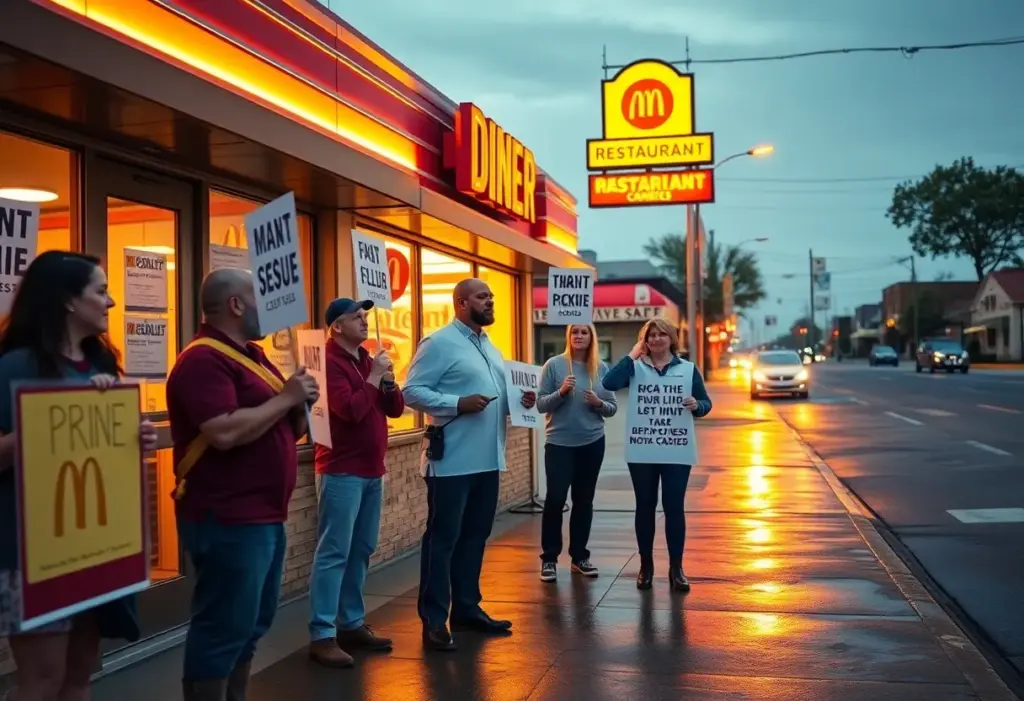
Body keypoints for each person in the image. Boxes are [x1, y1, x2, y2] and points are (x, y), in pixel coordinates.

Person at [0, 251, 158, 701]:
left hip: (95, 550)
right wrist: (42, 427)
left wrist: (133, 437)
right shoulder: (14, 368)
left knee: (79, 676)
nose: (110, 302)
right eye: (101, 290)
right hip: (34, 556)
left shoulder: (101, 367)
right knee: (42, 681)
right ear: (69, 301)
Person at [166, 268, 319, 700]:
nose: (269, 305)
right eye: (259, 296)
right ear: (235, 304)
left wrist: (299, 403)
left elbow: (281, 425)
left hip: (262, 516)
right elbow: (225, 432)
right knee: (223, 627)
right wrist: (288, 398)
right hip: (226, 516)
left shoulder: (252, 355)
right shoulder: (202, 359)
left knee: (251, 624)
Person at [403, 278, 535, 651]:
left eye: (492, 296)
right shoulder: (439, 342)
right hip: (451, 463)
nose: (491, 301)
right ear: (461, 302)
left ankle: (466, 609)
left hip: (488, 461)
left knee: (475, 538)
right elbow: (410, 391)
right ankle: (433, 621)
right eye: (483, 296)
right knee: (442, 541)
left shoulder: (491, 347)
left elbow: (497, 400)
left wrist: (520, 399)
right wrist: (457, 402)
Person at [307, 298, 404, 667]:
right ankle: (322, 634)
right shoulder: (328, 362)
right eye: (356, 317)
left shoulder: (366, 359)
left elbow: (394, 410)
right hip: (341, 470)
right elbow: (348, 411)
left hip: (371, 469)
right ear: (336, 326)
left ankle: (351, 623)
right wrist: (374, 378)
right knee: (334, 552)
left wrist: (389, 383)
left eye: (366, 317)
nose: (364, 322)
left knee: (362, 548)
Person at [602, 318, 712, 592]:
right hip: (643, 449)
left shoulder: (688, 369)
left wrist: (696, 405)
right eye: (651, 335)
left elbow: (706, 403)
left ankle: (676, 568)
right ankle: (646, 565)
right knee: (645, 506)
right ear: (644, 340)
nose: (656, 339)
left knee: (674, 507)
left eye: (662, 334)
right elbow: (609, 382)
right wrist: (632, 354)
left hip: (676, 448)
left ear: (671, 338)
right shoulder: (635, 367)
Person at [535, 324, 616, 582]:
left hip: (592, 442)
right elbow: (540, 404)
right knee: (556, 499)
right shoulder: (554, 365)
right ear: (567, 336)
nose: (579, 336)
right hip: (559, 443)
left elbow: (612, 407)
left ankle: (579, 557)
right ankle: (549, 559)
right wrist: (560, 393)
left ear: (592, 336)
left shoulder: (600, 368)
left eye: (584, 332)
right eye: (574, 332)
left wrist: (598, 403)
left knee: (584, 500)